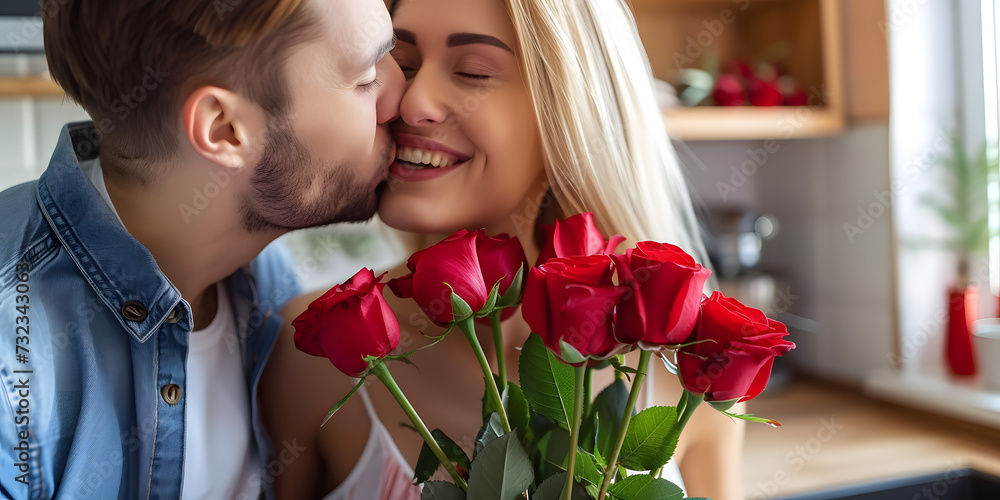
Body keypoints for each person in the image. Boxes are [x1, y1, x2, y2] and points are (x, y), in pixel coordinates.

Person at [261, 0, 745, 498]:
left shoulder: (697, 363)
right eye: (401, 65)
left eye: (472, 72)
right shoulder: (317, 352)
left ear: (571, 110)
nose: (409, 102)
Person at [0, 0, 404, 498]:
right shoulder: (12, 370)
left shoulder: (267, 282)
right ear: (224, 130)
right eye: (367, 78)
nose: (404, 94)